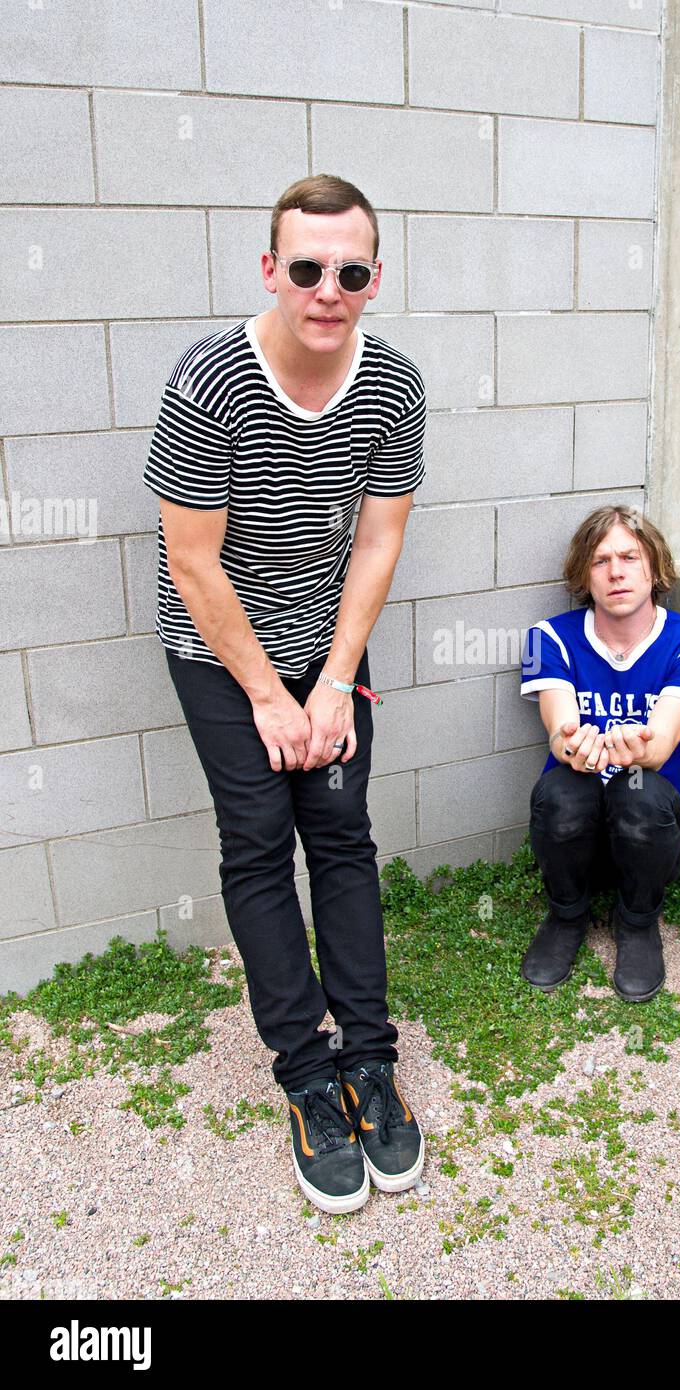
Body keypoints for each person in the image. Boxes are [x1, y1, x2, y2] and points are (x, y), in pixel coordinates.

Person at [143, 174, 425, 1215]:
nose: (327, 288)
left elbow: (380, 537)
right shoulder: (209, 381)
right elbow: (192, 560)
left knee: (342, 835)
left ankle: (370, 1061)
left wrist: (338, 680)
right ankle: (308, 1078)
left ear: (373, 278)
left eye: (350, 271)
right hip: (218, 647)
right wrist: (270, 696)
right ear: (271, 269)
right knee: (260, 839)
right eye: (306, 267)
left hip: (326, 639)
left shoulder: (393, 386)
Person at [519, 506, 680, 1002]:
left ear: (654, 566)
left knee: (641, 793)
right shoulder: (546, 637)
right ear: (583, 574)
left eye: (629, 556)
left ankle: (636, 922)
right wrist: (574, 747)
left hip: (647, 833)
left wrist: (639, 753)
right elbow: (558, 729)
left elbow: (663, 741)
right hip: (575, 832)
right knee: (560, 789)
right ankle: (568, 915)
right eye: (600, 560)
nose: (616, 572)